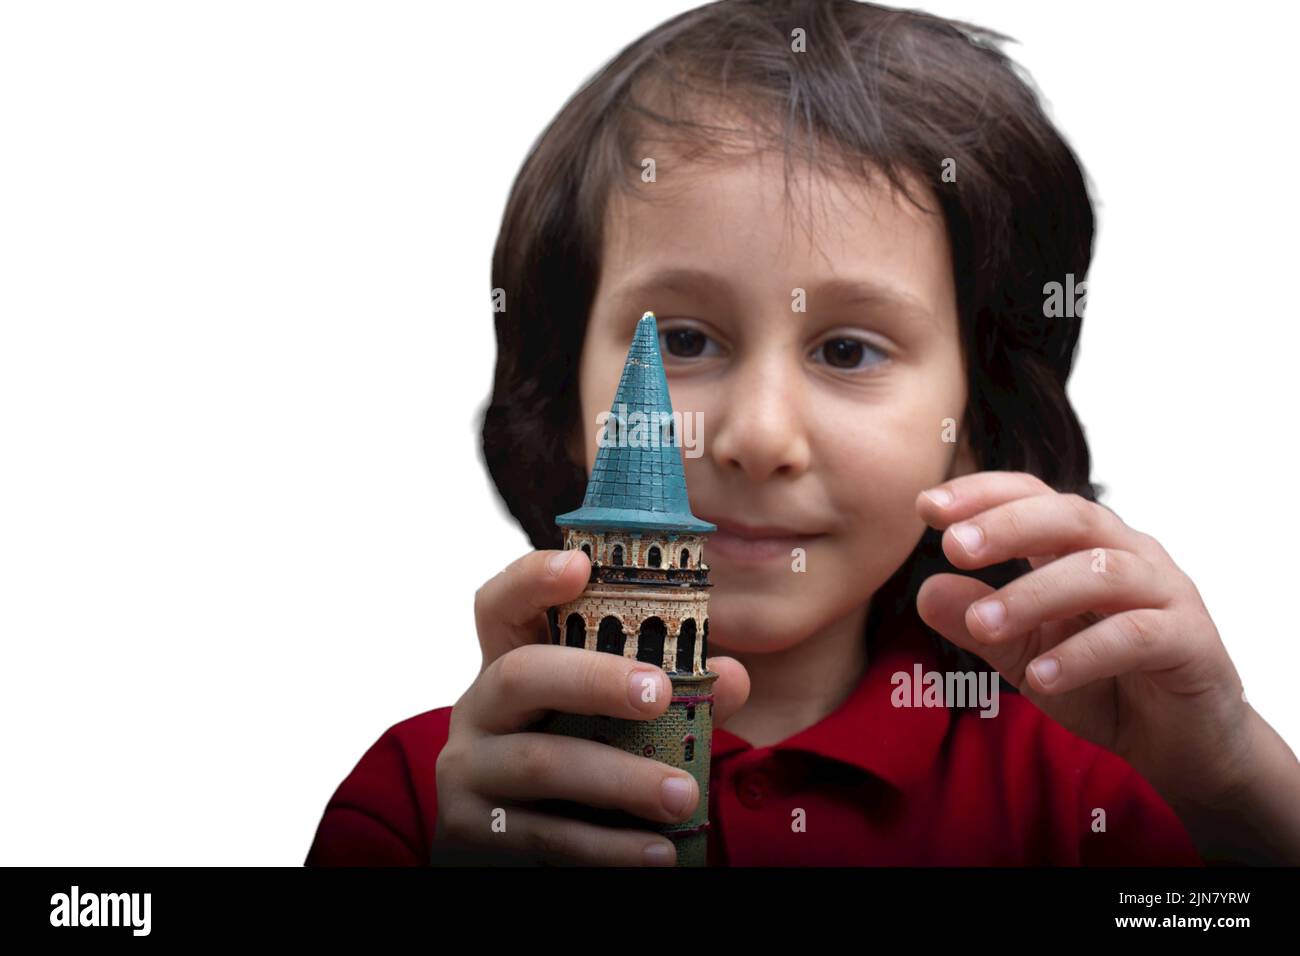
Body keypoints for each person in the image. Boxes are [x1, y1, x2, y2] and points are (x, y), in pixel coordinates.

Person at [305, 0, 1300, 866]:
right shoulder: (427, 799)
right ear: (562, 389)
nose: (757, 435)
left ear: (974, 421)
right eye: (685, 338)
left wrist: (1229, 781)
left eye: (848, 351)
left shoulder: (1101, 787)